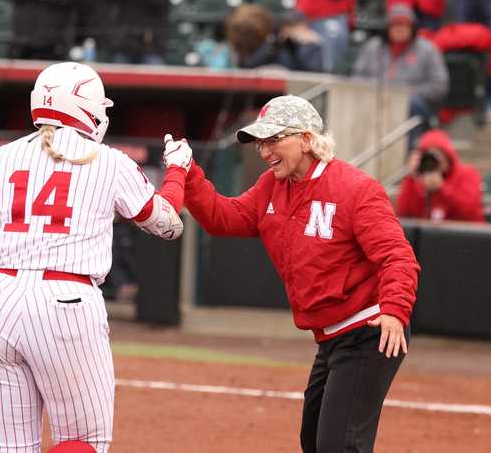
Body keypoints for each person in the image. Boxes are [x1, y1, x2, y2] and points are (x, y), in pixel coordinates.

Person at [0, 62, 187, 453]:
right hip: (64, 300)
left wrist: (12, 228)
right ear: (87, 106)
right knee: (84, 442)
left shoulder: (0, 157)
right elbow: (166, 225)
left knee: (12, 447)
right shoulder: (107, 160)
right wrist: (177, 172)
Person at [167, 95, 420, 453]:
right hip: (331, 336)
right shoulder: (272, 187)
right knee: (313, 442)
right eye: (261, 143)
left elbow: (398, 256)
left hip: (370, 331)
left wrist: (394, 310)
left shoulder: (355, 188)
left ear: (306, 138)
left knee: (338, 446)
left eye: (274, 140)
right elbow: (223, 217)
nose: (265, 151)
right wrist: (189, 173)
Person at [353, 5, 450, 145]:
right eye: (395, 25)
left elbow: (440, 85)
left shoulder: (428, 49)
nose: (399, 29)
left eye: (404, 25)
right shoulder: (373, 47)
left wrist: (405, 93)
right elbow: (356, 78)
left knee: (411, 103)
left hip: (413, 106)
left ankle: (408, 149)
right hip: (375, 101)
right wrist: (378, 90)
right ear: (387, 28)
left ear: (412, 28)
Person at [395, 129, 483, 222]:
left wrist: (442, 188)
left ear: (448, 155)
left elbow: (467, 211)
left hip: (464, 233)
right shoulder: (418, 181)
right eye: (429, 155)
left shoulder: (467, 174)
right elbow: (404, 213)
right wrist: (411, 178)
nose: (434, 161)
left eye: (439, 153)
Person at [227, 6, 325, 73]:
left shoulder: (304, 46)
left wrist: (307, 45)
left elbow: (314, 75)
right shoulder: (270, 44)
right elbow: (248, 65)